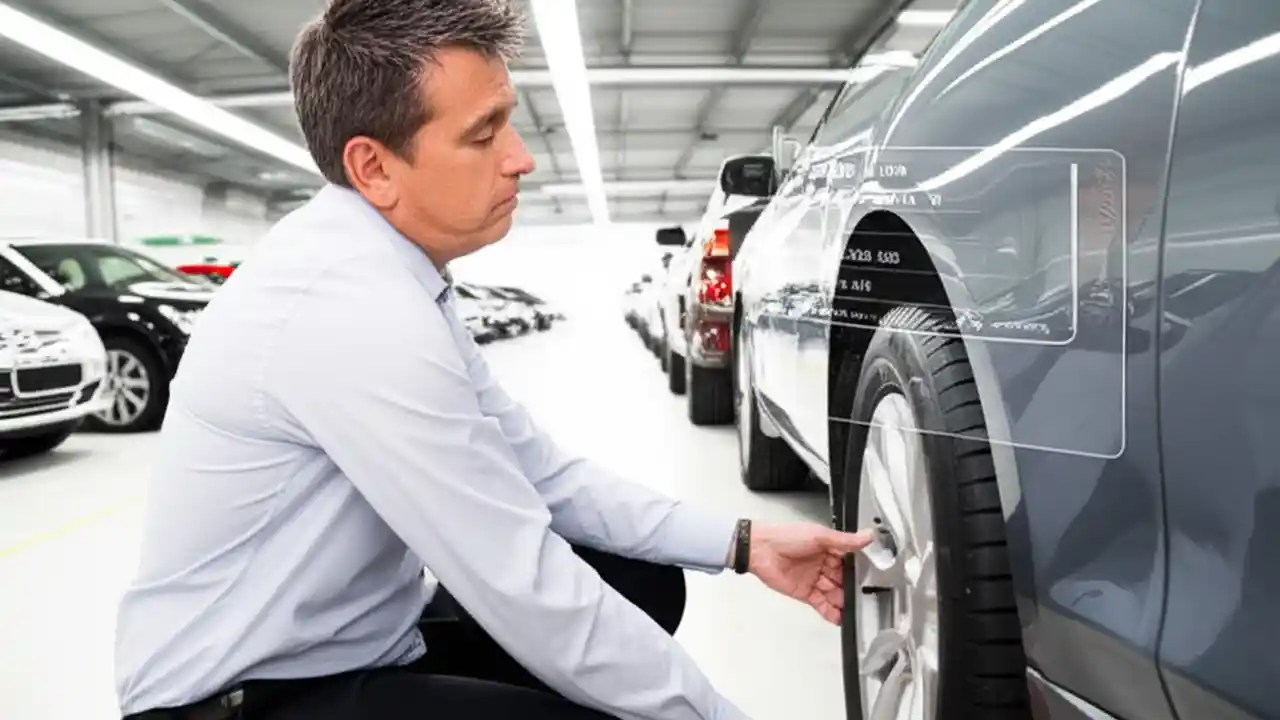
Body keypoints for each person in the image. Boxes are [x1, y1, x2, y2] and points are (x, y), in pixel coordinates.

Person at [113, 1, 875, 718]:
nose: (521, 160)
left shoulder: (397, 277)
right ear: (374, 167)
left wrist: (743, 543)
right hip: (241, 697)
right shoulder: (349, 310)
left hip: (359, 639)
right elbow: (520, 582)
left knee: (641, 580)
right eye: (484, 135)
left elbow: (540, 475)